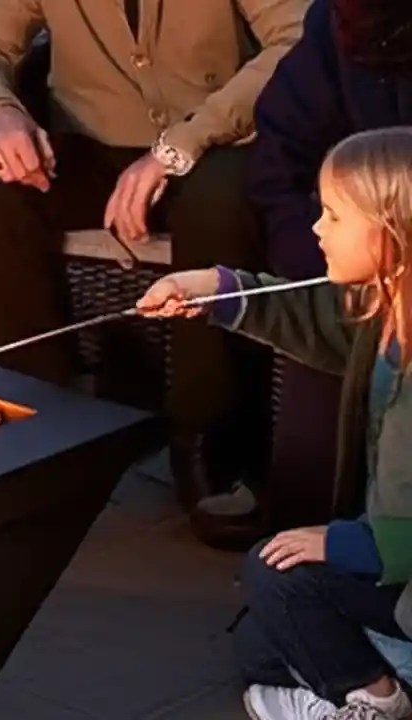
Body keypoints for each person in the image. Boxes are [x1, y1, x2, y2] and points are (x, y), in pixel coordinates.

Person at [0, 0, 308, 547]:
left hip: (214, 147)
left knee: (220, 204)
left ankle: (212, 442)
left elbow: (298, 38)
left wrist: (184, 142)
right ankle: (37, 421)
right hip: (91, 150)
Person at [137, 127, 412, 720]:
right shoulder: (388, 313)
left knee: (273, 577)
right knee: (258, 646)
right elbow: (311, 313)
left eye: (335, 216)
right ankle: (369, 674)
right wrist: (212, 289)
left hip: (399, 560)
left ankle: (380, 701)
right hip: (393, 567)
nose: (317, 229)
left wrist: (344, 544)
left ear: (393, 233)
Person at [234, 0, 412, 545]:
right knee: (312, 416)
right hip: (360, 268)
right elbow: (278, 155)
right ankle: (299, 558)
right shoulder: (339, 24)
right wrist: (328, 261)